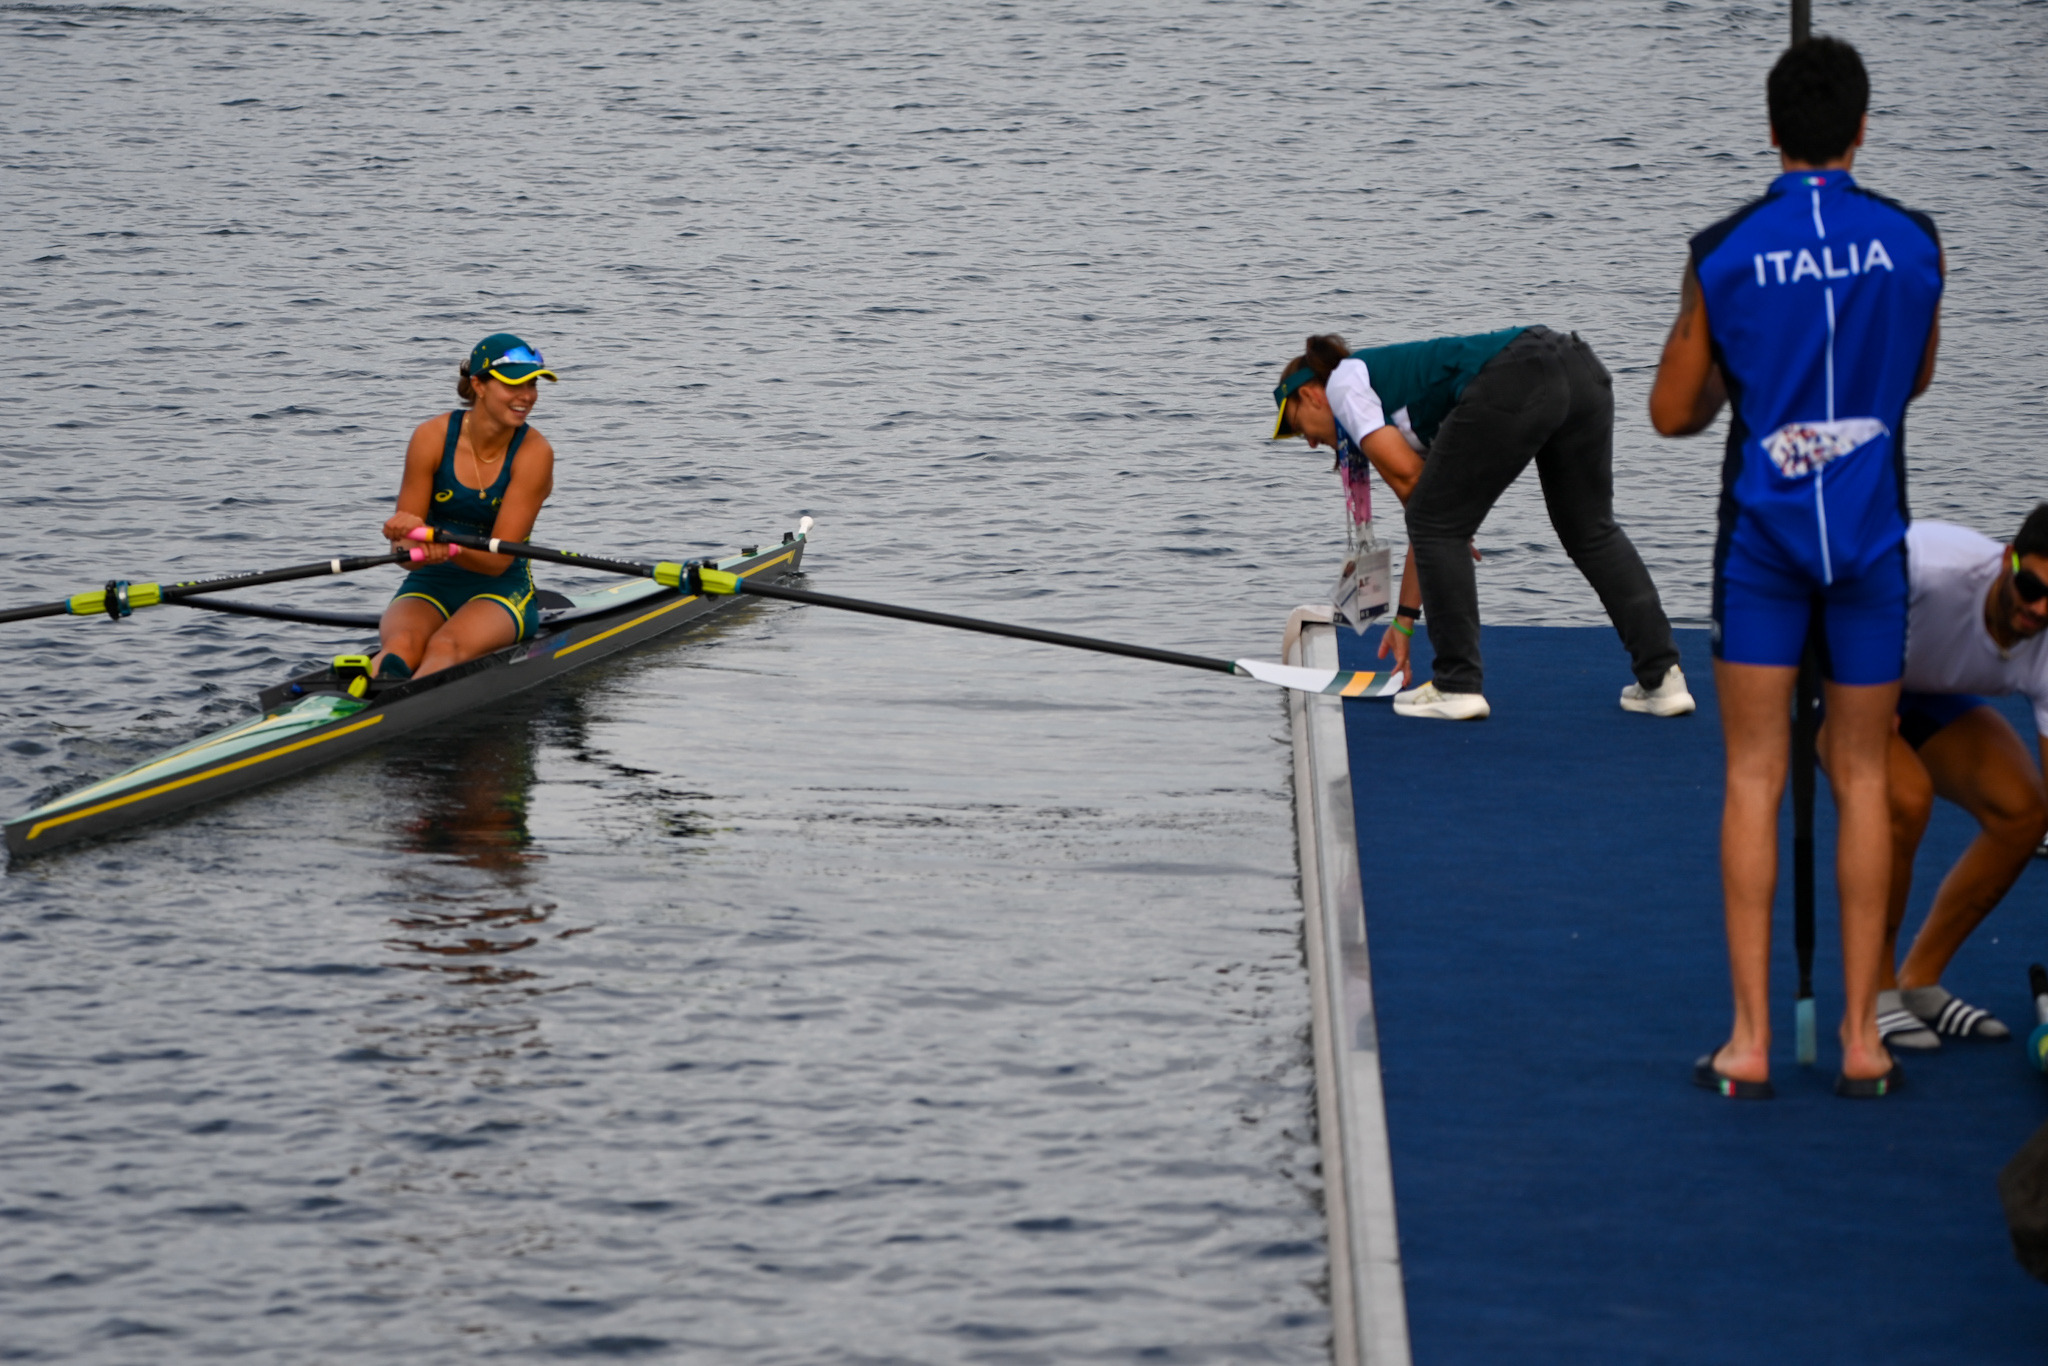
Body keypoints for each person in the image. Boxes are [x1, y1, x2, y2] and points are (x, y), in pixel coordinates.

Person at [1648, 36, 1943, 1098]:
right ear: (1860, 129)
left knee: (1753, 775)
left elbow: (1672, 413)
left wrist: (1747, 365)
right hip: (1867, 535)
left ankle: (1749, 1040)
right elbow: (1912, 375)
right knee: (1860, 774)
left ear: (1770, 130)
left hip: (1763, 543)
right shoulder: (1913, 244)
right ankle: (1862, 1039)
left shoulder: (1722, 252)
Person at [1271, 329, 1689, 721]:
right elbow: (1428, 509)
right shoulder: (1407, 408)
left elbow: (1416, 491)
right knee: (1591, 530)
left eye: (1296, 426)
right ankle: (1662, 678)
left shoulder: (1343, 384)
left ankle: (1457, 685)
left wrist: (1450, 520)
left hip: (1520, 374)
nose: (1308, 442)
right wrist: (1403, 620)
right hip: (1579, 369)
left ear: (1312, 396)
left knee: (1439, 520)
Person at [1861, 510, 2048, 1052]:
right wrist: (1871, 687)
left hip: (1925, 693)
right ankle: (1875, 994)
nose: (2038, 609)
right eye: (2031, 586)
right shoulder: (1934, 562)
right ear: (2007, 557)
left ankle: (1919, 982)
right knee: (1907, 796)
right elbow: (1835, 595)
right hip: (1840, 673)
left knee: (2026, 815)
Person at [373, 333, 558, 680]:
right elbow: (405, 555)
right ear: (479, 384)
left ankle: (405, 710)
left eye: (532, 383)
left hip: (502, 589)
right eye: (513, 384)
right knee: (401, 646)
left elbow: (498, 561)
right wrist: (402, 538)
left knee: (446, 647)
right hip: (430, 581)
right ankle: (342, 706)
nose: (527, 396)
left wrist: (449, 546)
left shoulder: (535, 454)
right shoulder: (430, 437)